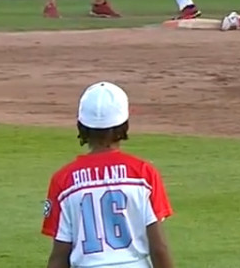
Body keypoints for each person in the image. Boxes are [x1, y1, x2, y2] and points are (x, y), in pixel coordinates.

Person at [42, 81, 177, 268]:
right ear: (124, 125)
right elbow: (159, 248)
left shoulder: (64, 180)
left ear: (81, 125)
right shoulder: (143, 174)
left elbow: (59, 256)